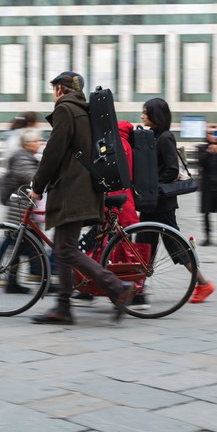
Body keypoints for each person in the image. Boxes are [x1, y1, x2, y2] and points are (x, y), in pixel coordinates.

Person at [29, 71, 136, 324]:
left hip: (72, 191)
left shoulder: (65, 110)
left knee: (65, 248)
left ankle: (117, 288)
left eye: (53, 89)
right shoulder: (85, 110)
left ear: (59, 90)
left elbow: (53, 152)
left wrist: (37, 185)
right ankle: (63, 307)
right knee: (64, 248)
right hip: (85, 189)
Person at [140, 98, 215, 304]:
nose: (142, 116)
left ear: (156, 115)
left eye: (145, 112)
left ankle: (203, 284)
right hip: (152, 203)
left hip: (162, 204)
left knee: (174, 246)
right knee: (144, 245)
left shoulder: (165, 137)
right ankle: (138, 287)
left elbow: (172, 169)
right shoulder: (153, 136)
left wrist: (153, 187)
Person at [71, 120, 139, 308]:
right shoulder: (123, 143)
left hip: (118, 203)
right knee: (106, 247)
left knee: (119, 252)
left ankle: (133, 291)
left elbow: (113, 175)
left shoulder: (118, 145)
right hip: (122, 202)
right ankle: (93, 288)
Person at [0, 128, 44, 293]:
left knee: (19, 247)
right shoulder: (21, 158)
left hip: (25, 208)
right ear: (28, 144)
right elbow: (30, 177)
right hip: (19, 209)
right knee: (29, 244)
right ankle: (40, 277)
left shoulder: (28, 157)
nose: (40, 143)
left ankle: (12, 283)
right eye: (37, 140)